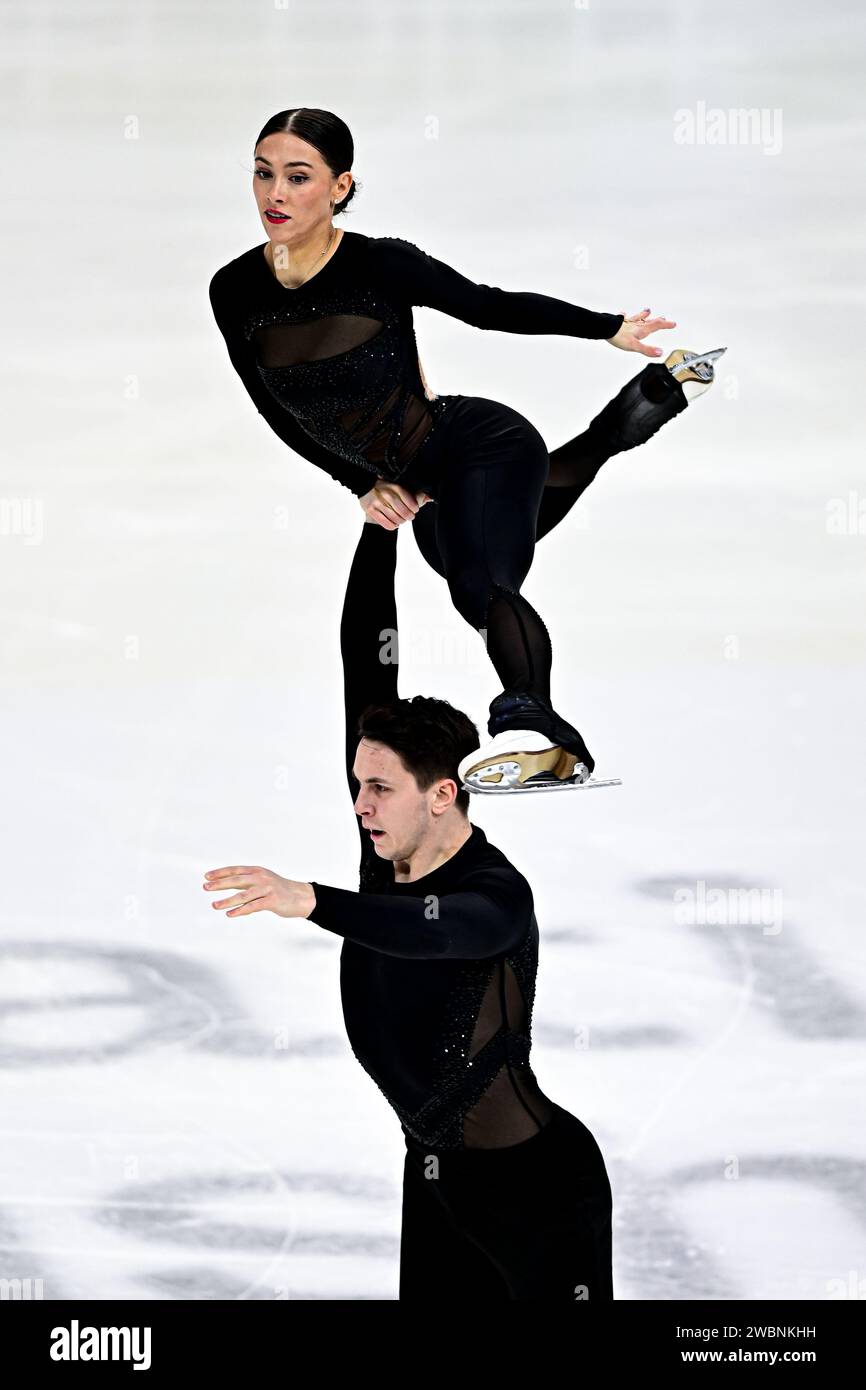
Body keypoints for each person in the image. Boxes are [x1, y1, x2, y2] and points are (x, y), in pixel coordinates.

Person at [209, 105, 722, 790]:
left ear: (339, 187)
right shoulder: (234, 289)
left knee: (480, 584)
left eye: (298, 177)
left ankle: (534, 724)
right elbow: (270, 403)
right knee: (508, 526)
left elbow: (488, 305)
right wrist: (359, 483)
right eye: (263, 173)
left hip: (478, 442)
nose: (275, 194)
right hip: (420, 485)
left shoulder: (382, 264)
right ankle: (651, 401)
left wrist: (608, 327)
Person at [203, 515, 615, 1300]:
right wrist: (378, 531)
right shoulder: (385, 844)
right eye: (358, 783)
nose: (359, 803)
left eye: (379, 787)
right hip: (431, 1175)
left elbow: (434, 935)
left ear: (442, 794)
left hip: (535, 1189)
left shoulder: (495, 894)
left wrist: (314, 902)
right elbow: (368, 663)